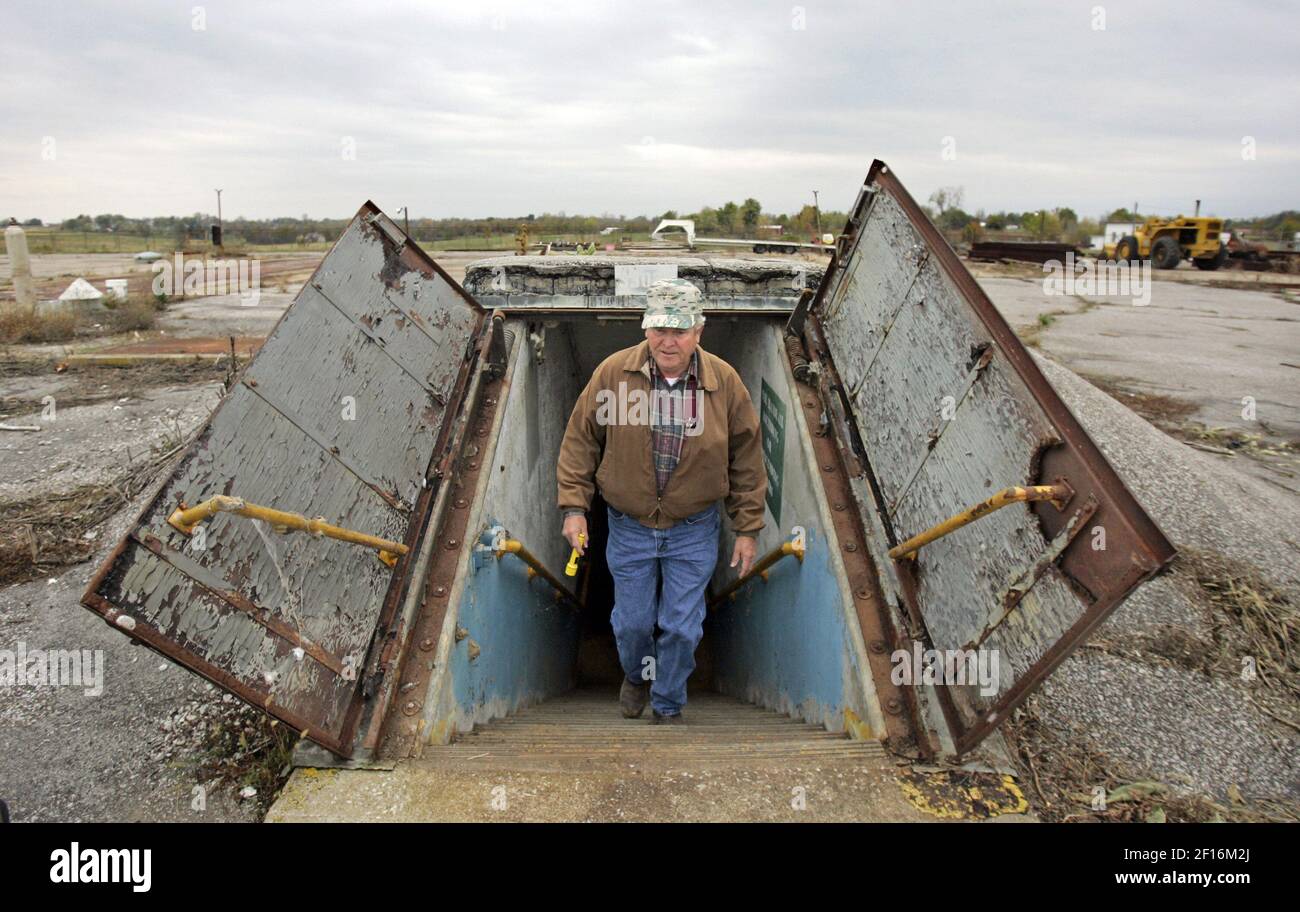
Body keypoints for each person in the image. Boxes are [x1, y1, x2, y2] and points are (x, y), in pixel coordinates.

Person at [556, 278, 766, 723]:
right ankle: (636, 676)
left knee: (682, 628)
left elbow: (746, 457)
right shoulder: (614, 374)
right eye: (659, 330)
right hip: (629, 527)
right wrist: (575, 508)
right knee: (632, 624)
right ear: (645, 327)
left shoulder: (724, 382)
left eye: (680, 331)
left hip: (693, 529)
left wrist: (747, 529)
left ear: (699, 331)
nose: (668, 342)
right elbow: (580, 441)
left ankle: (668, 703)